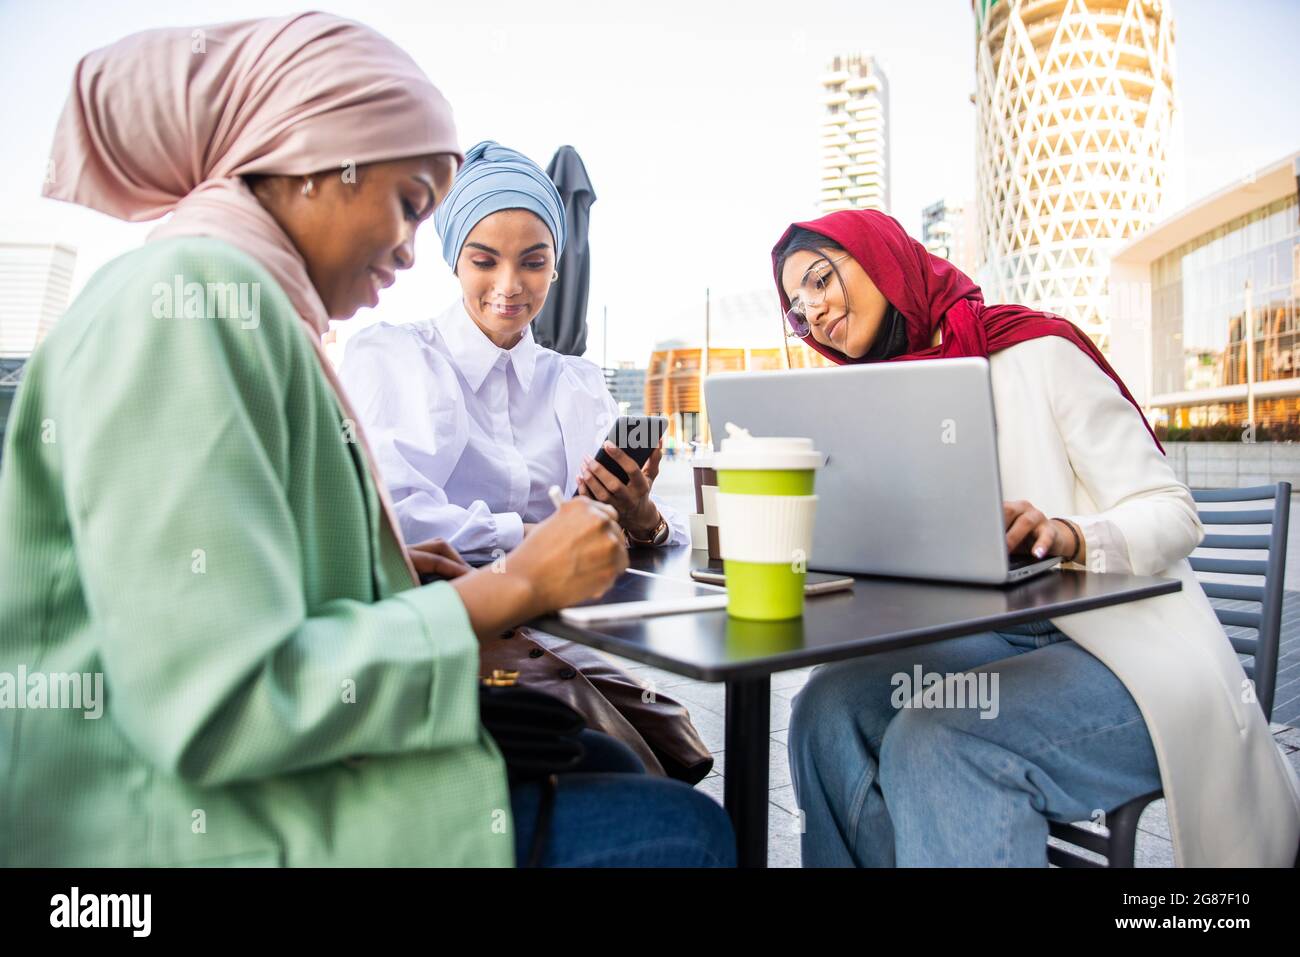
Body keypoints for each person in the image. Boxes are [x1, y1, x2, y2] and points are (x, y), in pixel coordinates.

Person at [0, 12, 733, 868]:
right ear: (309, 158)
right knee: (687, 832)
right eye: (409, 204)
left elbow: (213, 581)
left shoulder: (242, 306)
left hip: (252, 775)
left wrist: (383, 579)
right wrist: (510, 585)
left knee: (607, 755)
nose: (411, 248)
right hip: (159, 825)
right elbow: (218, 702)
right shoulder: (194, 301)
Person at [773, 209, 1300, 867]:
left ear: (883, 258)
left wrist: (1071, 534)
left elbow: (1174, 513)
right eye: (797, 307)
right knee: (826, 708)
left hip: (1124, 652)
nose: (813, 312)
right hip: (1002, 641)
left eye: (820, 280)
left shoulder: (1036, 350)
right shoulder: (876, 400)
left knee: (939, 739)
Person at [338, 141, 712, 783]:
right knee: (633, 763)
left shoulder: (575, 382)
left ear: (555, 268)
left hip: (562, 623)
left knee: (673, 750)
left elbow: (649, 535)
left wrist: (643, 515)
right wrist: (538, 537)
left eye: (533, 263)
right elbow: (394, 517)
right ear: (455, 259)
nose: (509, 287)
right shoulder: (397, 357)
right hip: (457, 621)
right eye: (485, 260)